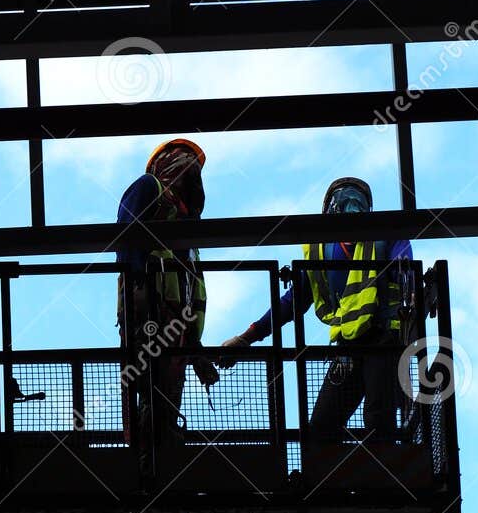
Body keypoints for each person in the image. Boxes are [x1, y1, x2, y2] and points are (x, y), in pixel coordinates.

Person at [219, 176, 412, 444]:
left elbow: (406, 279)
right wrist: (247, 337)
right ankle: (337, 481)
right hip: (352, 345)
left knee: (375, 420)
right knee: (326, 425)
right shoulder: (333, 247)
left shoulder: (383, 235)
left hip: (384, 339)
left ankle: (376, 479)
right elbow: (292, 301)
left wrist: (246, 338)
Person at [116, 138, 218, 446]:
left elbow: (188, 291)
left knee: (166, 404)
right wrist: (140, 298)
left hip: (177, 331)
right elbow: (126, 240)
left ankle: (163, 461)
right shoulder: (148, 188)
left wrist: (194, 348)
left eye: (194, 162)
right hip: (148, 318)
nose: (189, 166)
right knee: (150, 394)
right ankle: (148, 468)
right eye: (182, 158)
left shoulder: (188, 228)